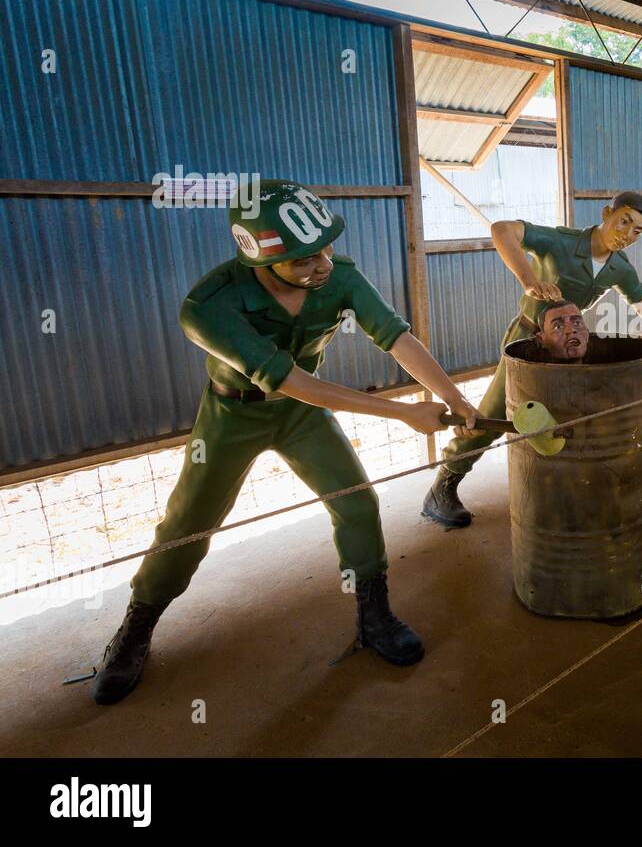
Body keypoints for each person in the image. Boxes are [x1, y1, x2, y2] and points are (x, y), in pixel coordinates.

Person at [90, 181, 481, 705]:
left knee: (357, 502)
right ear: (257, 259)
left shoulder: (338, 276)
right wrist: (403, 413)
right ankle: (136, 628)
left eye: (325, 249)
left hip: (303, 416)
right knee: (188, 525)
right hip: (236, 413)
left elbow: (395, 336)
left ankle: (374, 615)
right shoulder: (206, 307)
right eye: (302, 260)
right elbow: (291, 379)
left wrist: (457, 400)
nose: (320, 265)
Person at [423, 192, 642, 528]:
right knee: (492, 415)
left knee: (564, 420)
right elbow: (502, 229)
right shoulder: (561, 242)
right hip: (528, 342)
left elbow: (641, 301)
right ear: (607, 213)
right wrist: (529, 281)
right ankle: (443, 484)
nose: (627, 233)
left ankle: (562, 487)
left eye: (638, 231)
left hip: (569, 347)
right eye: (624, 221)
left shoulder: (618, 267)